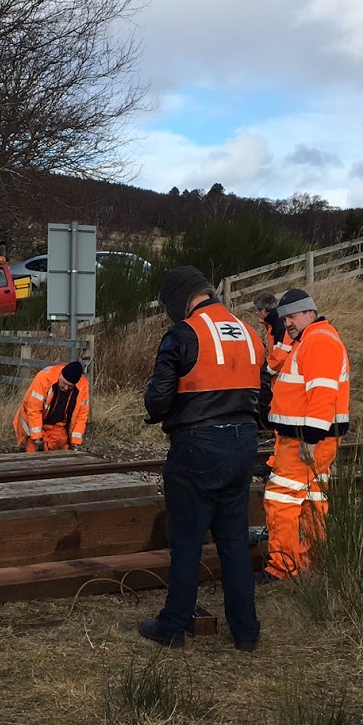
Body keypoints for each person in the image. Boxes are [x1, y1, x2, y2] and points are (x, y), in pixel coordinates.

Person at [139, 266, 263, 651]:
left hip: (198, 444)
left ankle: (173, 627)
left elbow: (156, 401)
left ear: (180, 299)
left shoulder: (183, 334)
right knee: (234, 543)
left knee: (188, 542)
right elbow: (267, 396)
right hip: (244, 443)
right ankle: (246, 632)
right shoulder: (250, 334)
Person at [263, 287, 350, 581]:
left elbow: (322, 395)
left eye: (293, 316)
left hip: (306, 439)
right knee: (313, 501)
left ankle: (283, 569)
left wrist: (310, 440)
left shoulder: (318, 341)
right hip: (314, 438)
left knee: (281, 500)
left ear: (310, 313)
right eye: (285, 317)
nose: (288, 323)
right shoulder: (311, 339)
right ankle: (312, 563)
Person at [13, 360, 89, 452]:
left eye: (70, 386)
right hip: (33, 421)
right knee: (34, 455)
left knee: (62, 453)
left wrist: (75, 443)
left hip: (57, 426)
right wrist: (37, 439)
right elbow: (34, 409)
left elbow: (81, 417)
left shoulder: (82, 388)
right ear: (60, 374)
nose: (66, 388)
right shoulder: (44, 378)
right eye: (64, 383)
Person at [253, 290, 292, 376]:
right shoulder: (275, 323)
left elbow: (281, 355)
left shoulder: (278, 326)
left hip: (282, 374)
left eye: (257, 311)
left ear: (263, 311)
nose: (257, 314)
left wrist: (267, 372)